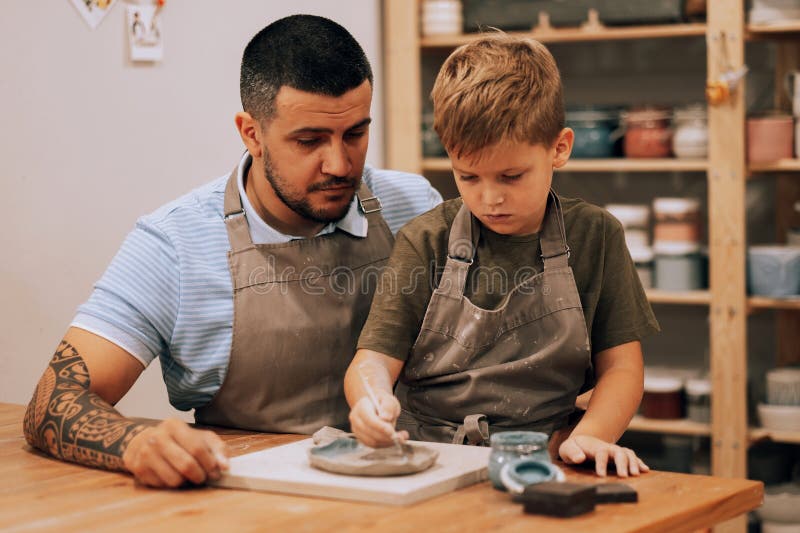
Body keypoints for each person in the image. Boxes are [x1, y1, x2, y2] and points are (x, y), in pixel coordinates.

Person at [23, 14, 441, 488]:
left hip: (409, 488)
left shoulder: (414, 207)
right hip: (249, 502)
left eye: (355, 134)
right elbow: (50, 403)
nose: (339, 164)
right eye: (309, 141)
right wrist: (132, 442)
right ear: (251, 133)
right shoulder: (174, 245)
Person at [344, 33, 660, 478]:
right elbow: (372, 361)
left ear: (560, 147)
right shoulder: (426, 240)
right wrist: (370, 402)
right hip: (430, 461)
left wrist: (592, 435)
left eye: (511, 176)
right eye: (467, 176)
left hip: (546, 460)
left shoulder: (595, 236)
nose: (490, 198)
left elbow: (623, 369)